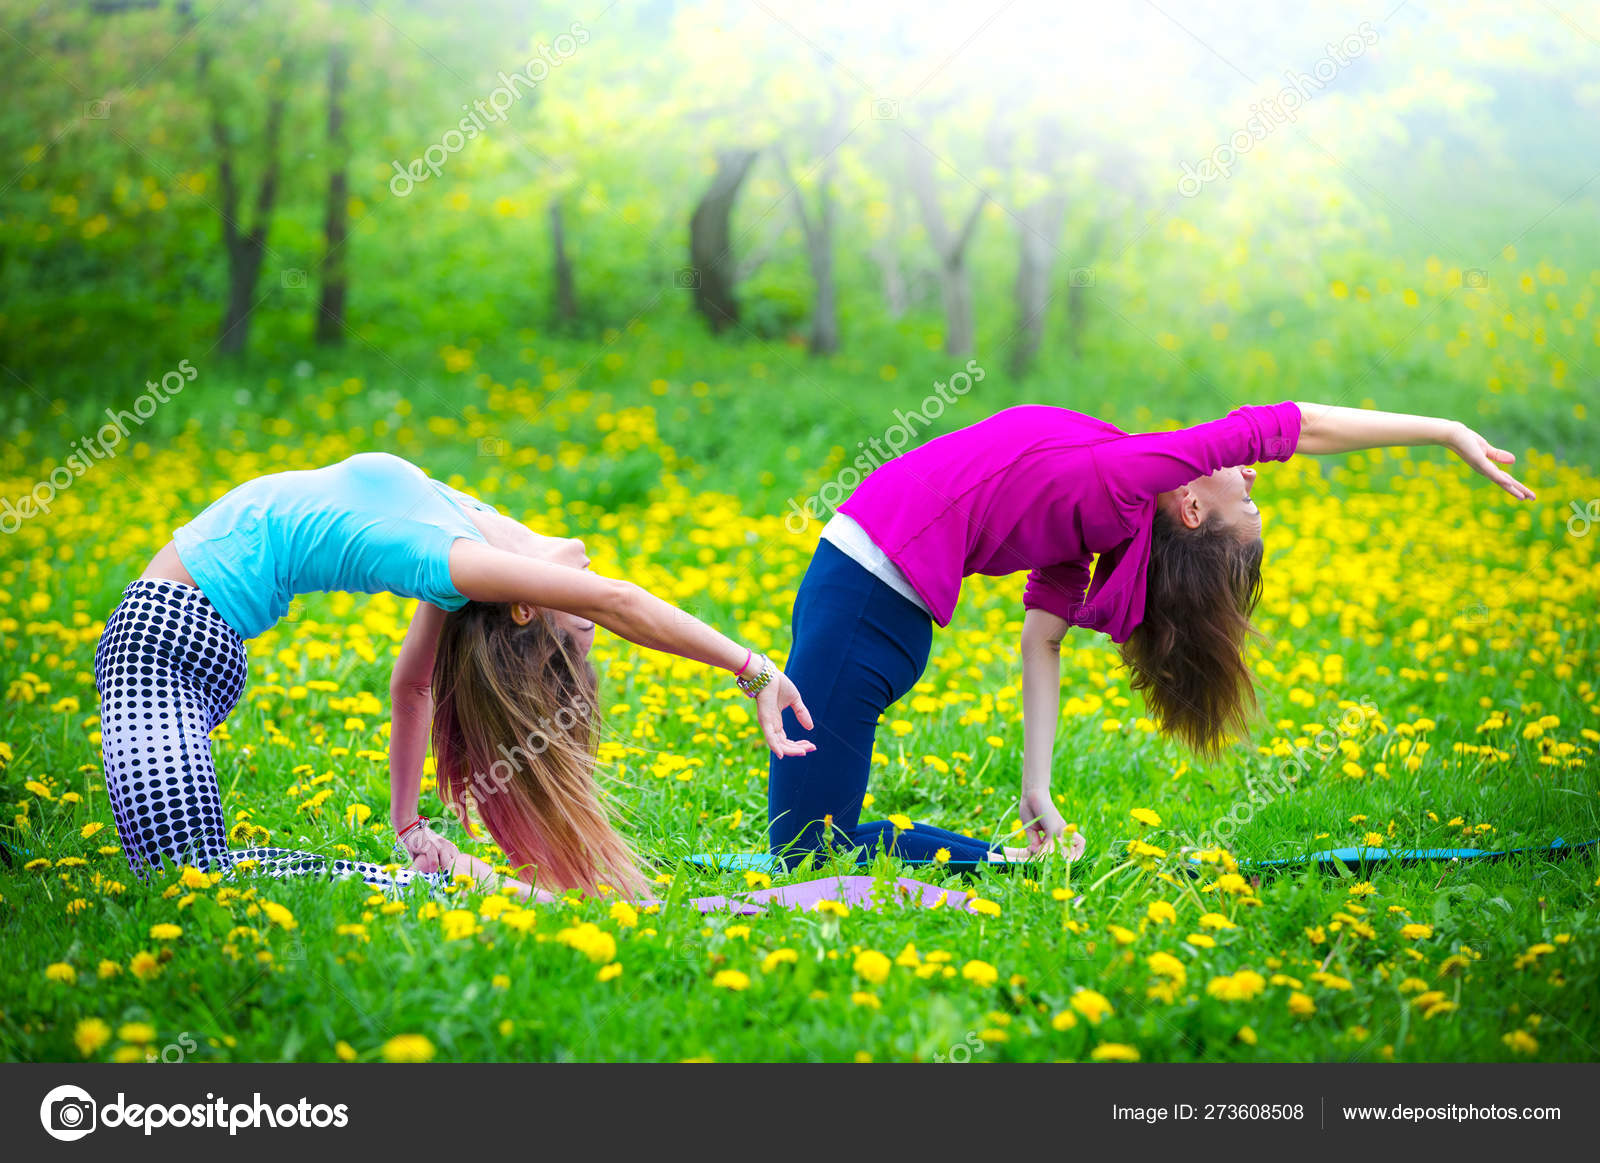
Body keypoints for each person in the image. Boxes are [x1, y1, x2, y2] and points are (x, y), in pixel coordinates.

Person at [769, 400, 1533, 869]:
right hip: (870, 593)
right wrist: (1035, 787)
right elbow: (1044, 639)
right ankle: (1009, 862)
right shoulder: (1107, 495)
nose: (1252, 477)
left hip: (868, 597)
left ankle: (1005, 866)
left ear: (1195, 508)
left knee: (805, 852)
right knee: (810, 841)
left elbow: (1296, 426)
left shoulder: (1129, 476)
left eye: (1248, 502)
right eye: (1254, 493)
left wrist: (1442, 432)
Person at [95, 451, 813, 902]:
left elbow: (413, 689)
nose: (587, 577)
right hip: (169, 638)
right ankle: (458, 887)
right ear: (530, 603)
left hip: (170, 644)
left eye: (579, 623)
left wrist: (409, 824)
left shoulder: (455, 561)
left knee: (187, 875)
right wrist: (752, 669)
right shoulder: (461, 537)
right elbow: (618, 601)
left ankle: (446, 888)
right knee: (184, 872)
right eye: (579, 622)